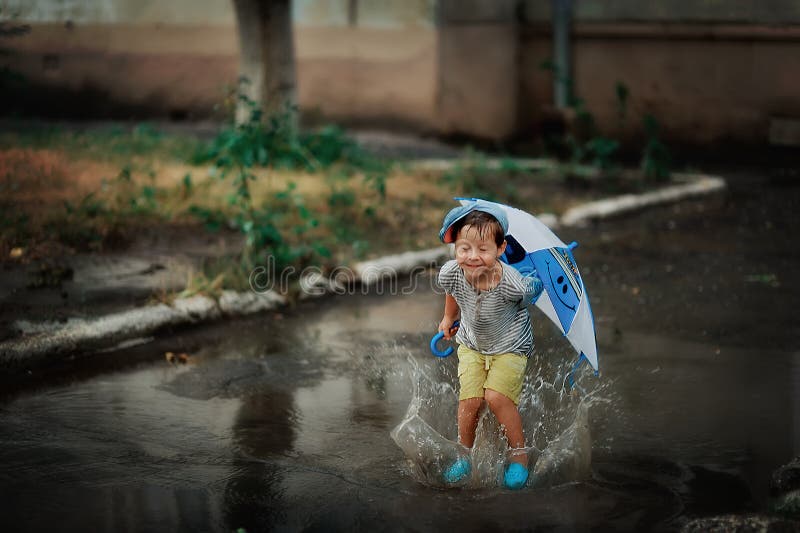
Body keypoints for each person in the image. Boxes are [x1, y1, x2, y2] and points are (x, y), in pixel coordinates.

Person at [437, 199, 543, 490]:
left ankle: (519, 456)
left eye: (483, 249)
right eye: (464, 248)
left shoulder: (512, 283)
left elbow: (528, 295)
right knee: (470, 400)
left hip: (510, 344)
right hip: (472, 342)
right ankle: (464, 455)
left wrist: (533, 285)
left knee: (496, 398)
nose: (472, 256)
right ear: (455, 247)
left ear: (500, 249)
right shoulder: (452, 272)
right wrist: (448, 317)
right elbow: (452, 291)